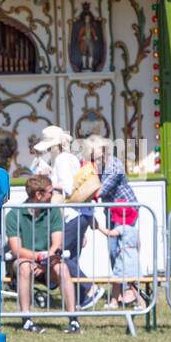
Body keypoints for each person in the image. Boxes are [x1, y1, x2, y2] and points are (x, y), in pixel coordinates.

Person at [34, 124, 102, 310]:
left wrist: (48, 182)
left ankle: (90, 289)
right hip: (79, 214)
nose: (47, 151)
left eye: (48, 147)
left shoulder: (62, 159)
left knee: (59, 255)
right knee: (68, 257)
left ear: (55, 145)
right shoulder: (69, 157)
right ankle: (81, 296)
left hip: (74, 214)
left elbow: (68, 188)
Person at [7, 173, 79, 333]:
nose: (53, 195)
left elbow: (57, 243)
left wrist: (45, 261)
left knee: (63, 269)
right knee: (24, 266)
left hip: (49, 260)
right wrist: (38, 258)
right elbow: (16, 249)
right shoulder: (14, 214)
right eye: (50, 192)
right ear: (38, 195)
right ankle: (26, 320)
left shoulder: (53, 211)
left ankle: (74, 320)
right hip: (25, 261)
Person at [85, 134, 145, 308]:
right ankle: (121, 293)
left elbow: (100, 191)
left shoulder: (114, 165)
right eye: (91, 156)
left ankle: (130, 292)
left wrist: (80, 195)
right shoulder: (98, 166)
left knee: (124, 252)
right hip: (113, 212)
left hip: (126, 212)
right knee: (114, 252)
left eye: (96, 156)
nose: (94, 160)